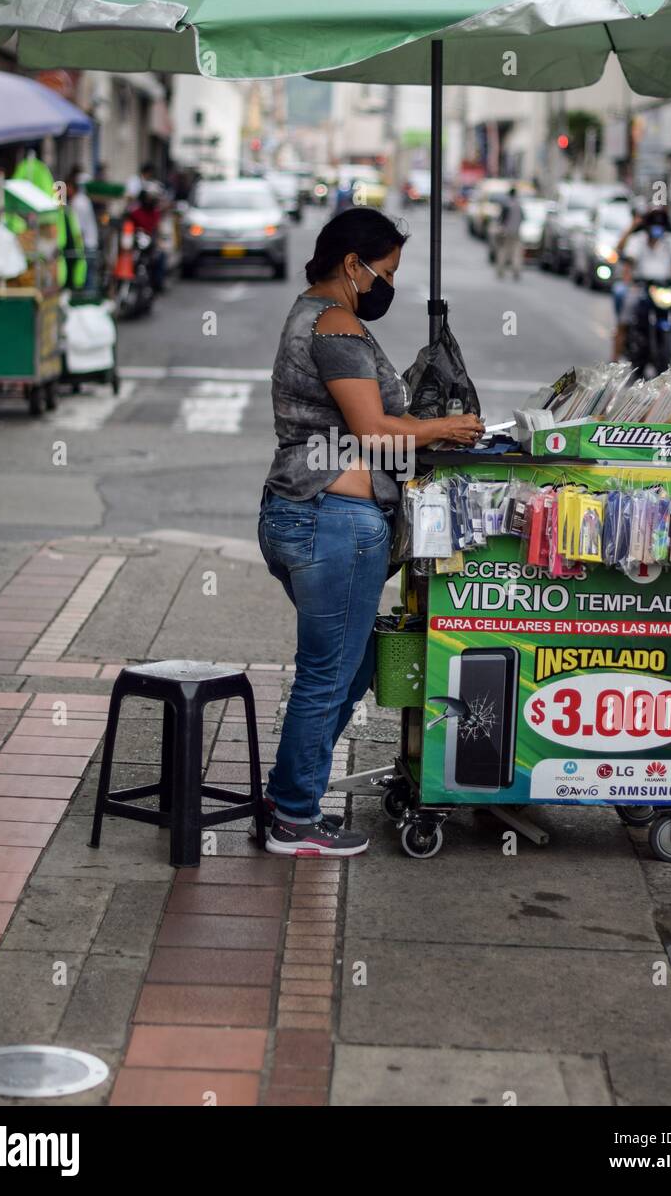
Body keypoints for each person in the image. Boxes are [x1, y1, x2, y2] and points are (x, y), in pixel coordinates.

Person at [259, 208, 484, 857]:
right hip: (330, 522)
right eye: (384, 272)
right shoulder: (334, 323)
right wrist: (446, 427)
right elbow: (373, 430)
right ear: (352, 265)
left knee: (351, 667)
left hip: (306, 515)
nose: (387, 285)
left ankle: (287, 795)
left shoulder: (311, 313)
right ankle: (294, 819)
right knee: (327, 673)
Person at [613, 208, 671, 368]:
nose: (657, 228)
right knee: (625, 318)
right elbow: (628, 260)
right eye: (653, 223)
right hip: (641, 288)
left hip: (666, 288)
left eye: (660, 224)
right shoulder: (637, 240)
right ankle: (614, 358)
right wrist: (629, 283)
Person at [127, 181, 166, 292]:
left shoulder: (156, 213)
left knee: (160, 257)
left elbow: (157, 229)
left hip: (150, 243)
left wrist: (158, 241)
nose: (149, 200)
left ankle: (156, 284)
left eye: (151, 198)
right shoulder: (135, 212)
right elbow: (127, 224)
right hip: (135, 242)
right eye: (148, 197)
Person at [69, 167, 100, 290]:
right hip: (91, 241)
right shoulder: (84, 200)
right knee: (90, 273)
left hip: (86, 243)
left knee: (88, 275)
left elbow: (78, 227)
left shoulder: (78, 203)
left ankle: (87, 300)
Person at [495, 188, 523, 279]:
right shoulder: (519, 205)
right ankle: (516, 270)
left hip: (506, 232)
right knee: (516, 252)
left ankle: (500, 270)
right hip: (516, 232)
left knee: (503, 251)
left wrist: (500, 229)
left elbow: (501, 220)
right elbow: (523, 218)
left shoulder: (506, 205)